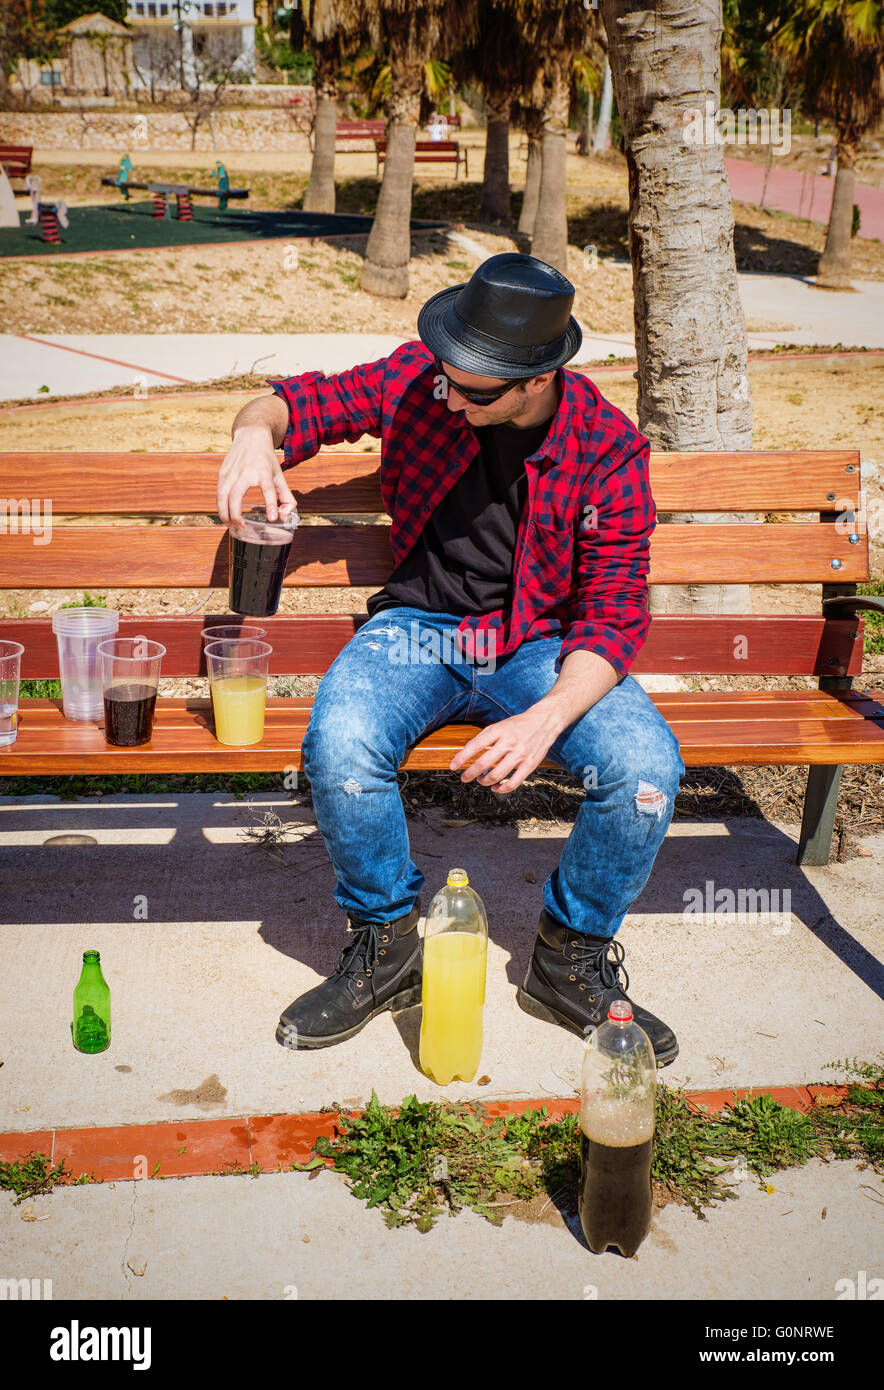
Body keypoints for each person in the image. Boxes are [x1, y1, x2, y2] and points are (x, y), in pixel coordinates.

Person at [217, 252, 684, 1066]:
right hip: (418, 630)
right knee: (341, 742)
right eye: (447, 373)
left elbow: (613, 615)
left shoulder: (607, 449)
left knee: (645, 767)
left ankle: (568, 956)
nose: (449, 393)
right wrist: (254, 436)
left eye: (474, 390)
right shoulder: (422, 380)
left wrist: (547, 716)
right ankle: (386, 944)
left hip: (541, 646)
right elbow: (296, 402)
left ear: (536, 380)